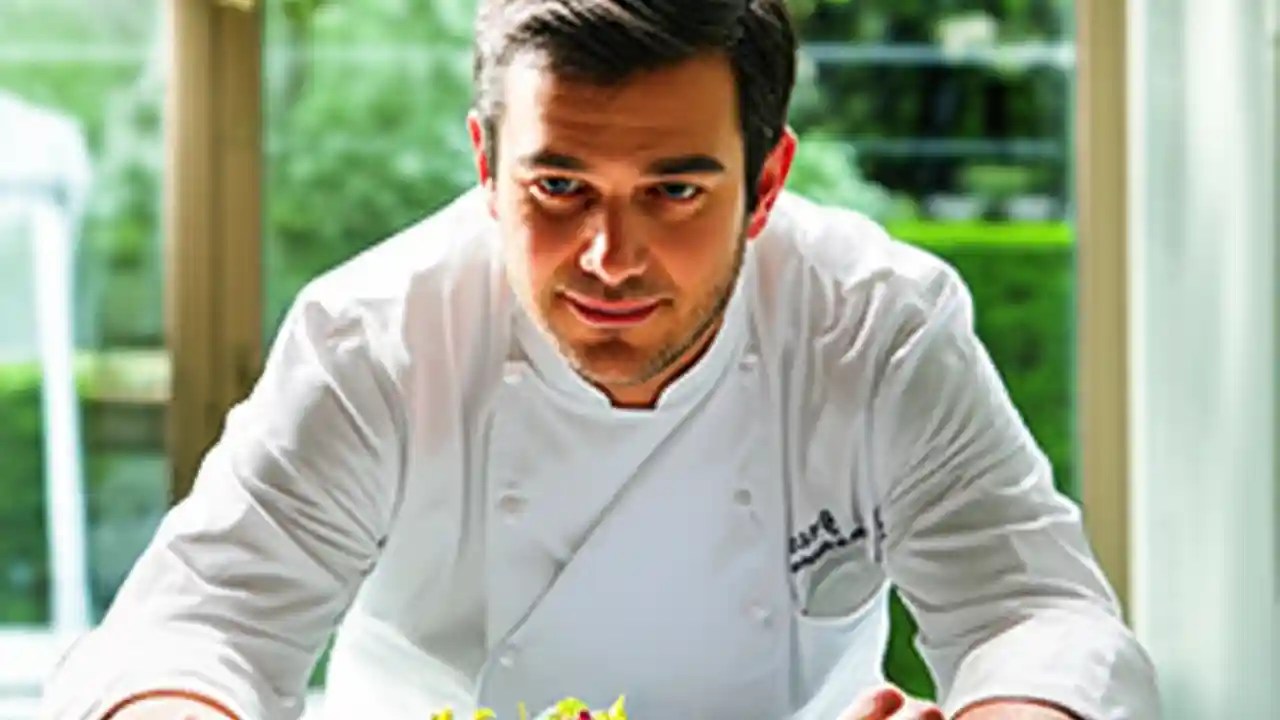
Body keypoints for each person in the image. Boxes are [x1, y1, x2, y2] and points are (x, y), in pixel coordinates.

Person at [41, 1, 1159, 718]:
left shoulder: (875, 325)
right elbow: (199, 625)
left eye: (673, 191)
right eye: (557, 187)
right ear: (486, 164)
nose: (608, 258)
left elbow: (1034, 615)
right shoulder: (373, 339)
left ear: (766, 182)